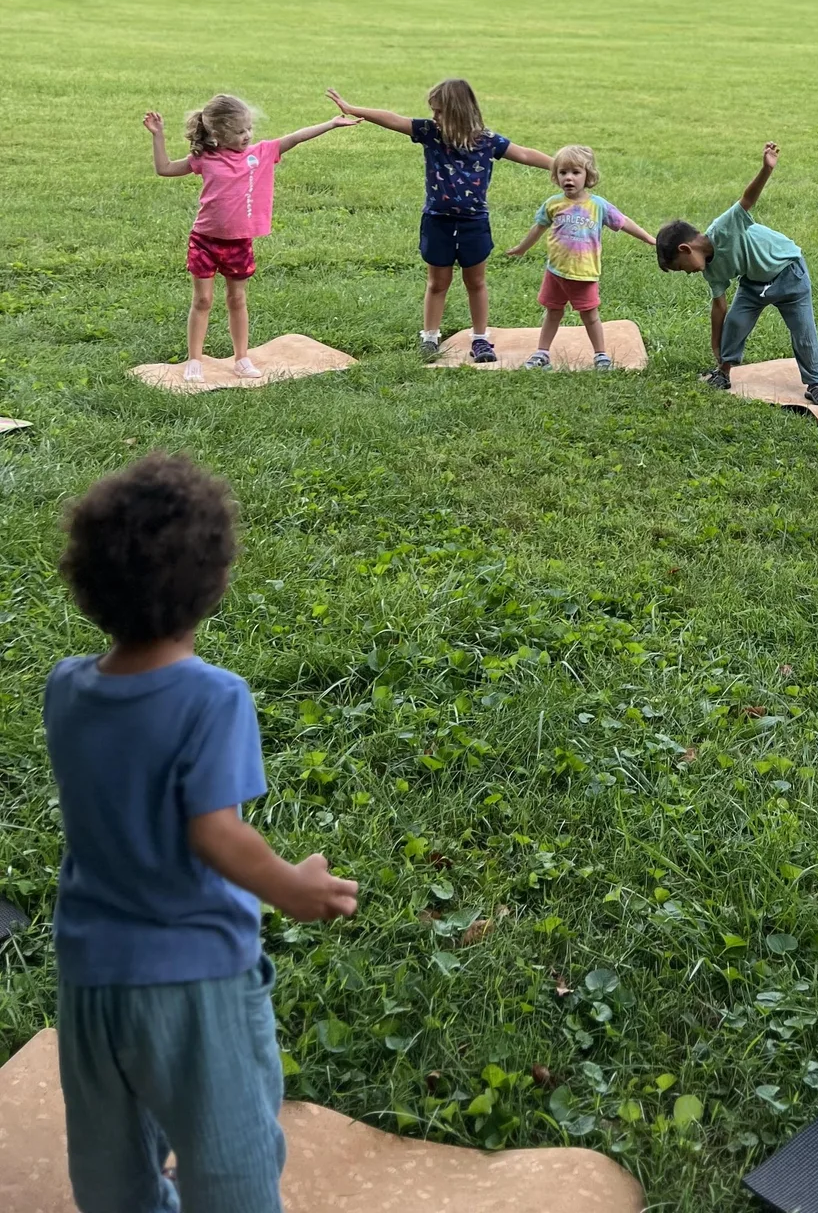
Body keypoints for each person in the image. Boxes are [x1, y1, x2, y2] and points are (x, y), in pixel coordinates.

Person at [45, 451, 358, 1213]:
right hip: (193, 982)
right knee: (230, 1158)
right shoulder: (212, 698)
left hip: (91, 978)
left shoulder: (65, 689)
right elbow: (214, 832)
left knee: (111, 1165)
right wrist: (293, 887)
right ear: (211, 585)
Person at [326, 79, 550, 364]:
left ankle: (480, 338)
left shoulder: (487, 141)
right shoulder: (430, 133)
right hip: (437, 222)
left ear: (457, 111)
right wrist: (351, 108)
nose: (434, 117)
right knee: (437, 283)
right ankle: (430, 338)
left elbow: (525, 154)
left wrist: (560, 164)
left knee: (476, 282)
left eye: (439, 112)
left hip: (473, 222)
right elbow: (393, 119)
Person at [144, 95, 356, 383]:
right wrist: (158, 136)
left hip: (239, 242)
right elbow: (164, 168)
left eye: (248, 129)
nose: (247, 136)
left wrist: (330, 124)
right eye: (239, 131)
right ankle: (194, 358)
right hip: (204, 240)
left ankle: (241, 358)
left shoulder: (261, 153)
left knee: (237, 299)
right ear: (218, 134)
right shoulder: (204, 158)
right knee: (203, 300)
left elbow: (294, 138)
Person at [655, 143, 818, 409]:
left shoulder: (723, 228)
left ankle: (817, 384)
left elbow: (748, 199)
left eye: (682, 267)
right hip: (754, 284)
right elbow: (719, 307)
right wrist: (716, 346)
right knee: (737, 322)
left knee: (803, 331)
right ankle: (723, 372)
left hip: (790, 272)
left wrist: (766, 168)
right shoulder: (710, 269)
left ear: (686, 249)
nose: (688, 273)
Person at [504, 144, 655, 370]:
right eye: (563, 173)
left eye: (576, 172)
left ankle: (601, 355)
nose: (569, 178)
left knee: (590, 316)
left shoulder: (598, 206)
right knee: (553, 312)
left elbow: (623, 222)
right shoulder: (553, 204)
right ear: (556, 176)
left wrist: (649, 238)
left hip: (584, 273)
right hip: (555, 272)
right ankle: (542, 352)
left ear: (588, 175)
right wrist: (522, 248)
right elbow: (538, 229)